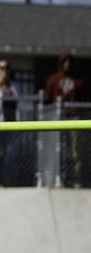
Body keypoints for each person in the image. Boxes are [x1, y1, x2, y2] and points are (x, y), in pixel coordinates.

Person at [44, 52, 87, 188]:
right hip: (57, 119)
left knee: (75, 151)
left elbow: (84, 100)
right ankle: (59, 178)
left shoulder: (78, 81)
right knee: (58, 149)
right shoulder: (53, 80)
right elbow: (47, 100)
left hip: (74, 119)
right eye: (64, 61)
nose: (67, 64)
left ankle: (76, 179)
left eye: (69, 61)